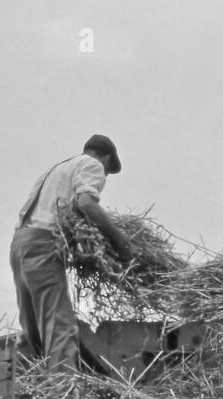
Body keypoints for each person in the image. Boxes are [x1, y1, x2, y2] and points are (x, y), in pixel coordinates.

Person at [9, 135, 133, 370]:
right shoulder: (91, 164)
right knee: (59, 323)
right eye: (107, 171)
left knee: (31, 325)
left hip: (19, 245)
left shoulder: (55, 171)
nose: (104, 177)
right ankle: (62, 389)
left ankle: (21, 380)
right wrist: (120, 240)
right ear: (105, 158)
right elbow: (86, 202)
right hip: (43, 244)